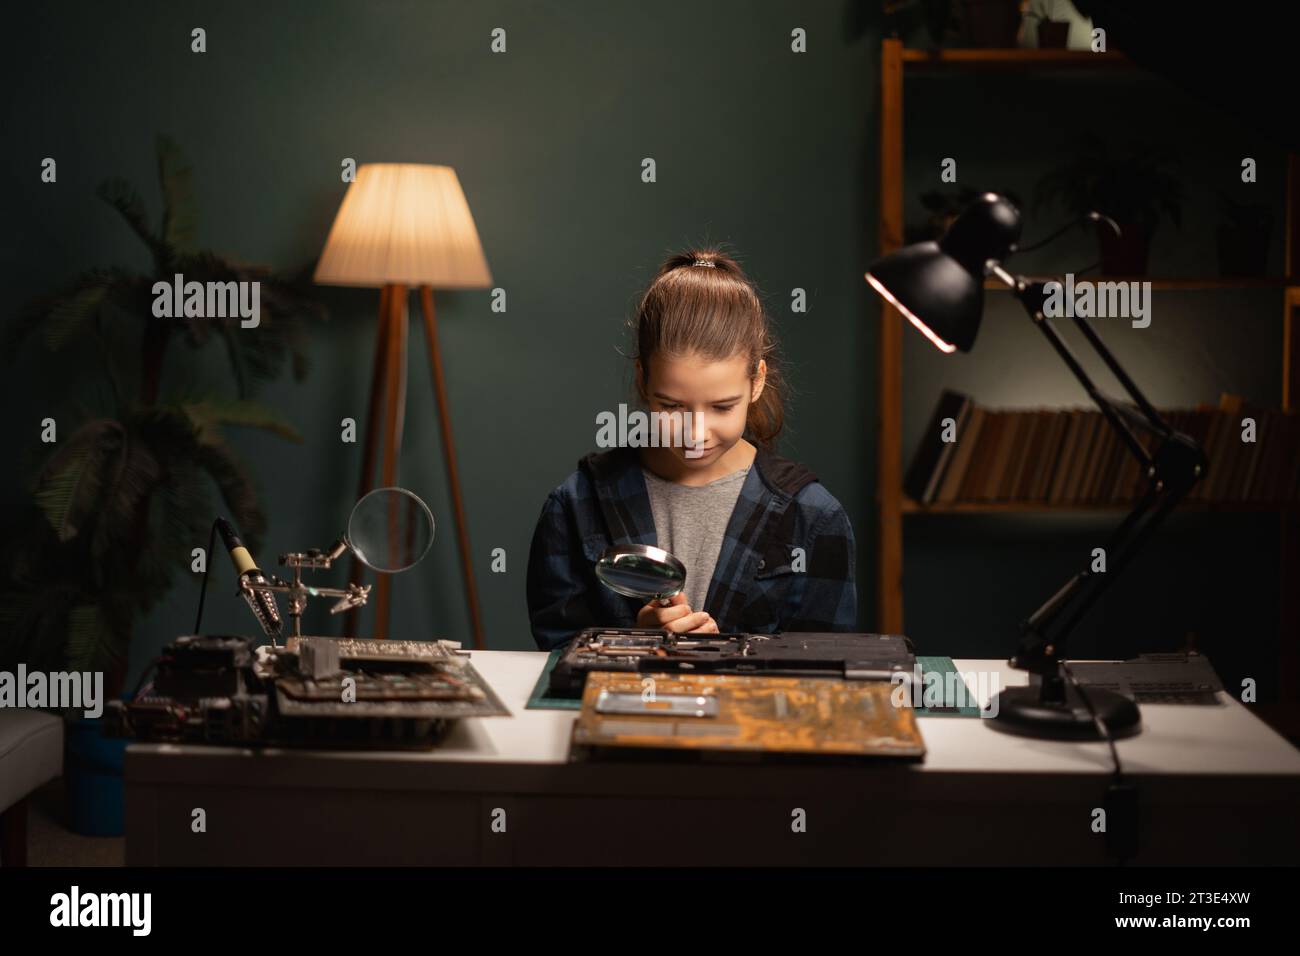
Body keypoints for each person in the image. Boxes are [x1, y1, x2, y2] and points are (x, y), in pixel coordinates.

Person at [525, 247, 856, 651]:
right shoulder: (576, 506)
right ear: (643, 380)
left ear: (757, 382)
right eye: (672, 406)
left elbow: (821, 676)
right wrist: (636, 643)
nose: (695, 433)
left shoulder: (814, 518)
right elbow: (556, 656)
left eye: (721, 407)